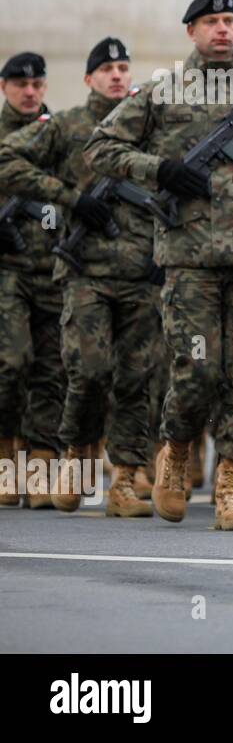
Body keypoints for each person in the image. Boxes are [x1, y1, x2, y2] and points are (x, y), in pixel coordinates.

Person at [84, 0, 233, 531]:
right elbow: (99, 149)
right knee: (197, 371)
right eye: (211, 21)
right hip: (190, 261)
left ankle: (230, 488)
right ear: (191, 31)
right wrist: (160, 170)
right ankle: (176, 450)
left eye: (230, 20)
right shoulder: (163, 92)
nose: (222, 30)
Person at [0, 38, 158, 516]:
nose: (117, 75)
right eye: (106, 68)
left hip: (139, 272)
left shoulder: (152, 128)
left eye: (124, 67)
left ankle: (122, 481)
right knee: (73, 370)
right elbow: (7, 161)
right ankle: (36, 459)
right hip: (79, 270)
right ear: (89, 78)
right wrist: (71, 196)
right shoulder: (66, 126)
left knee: (133, 379)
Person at [0, 52, 67, 508]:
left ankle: (40, 463)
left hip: (56, 268)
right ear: (4, 87)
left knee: (53, 369)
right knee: (11, 362)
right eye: (20, 84)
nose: (29, 92)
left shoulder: (60, 135)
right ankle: (6, 460)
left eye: (37, 84)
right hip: (8, 270)